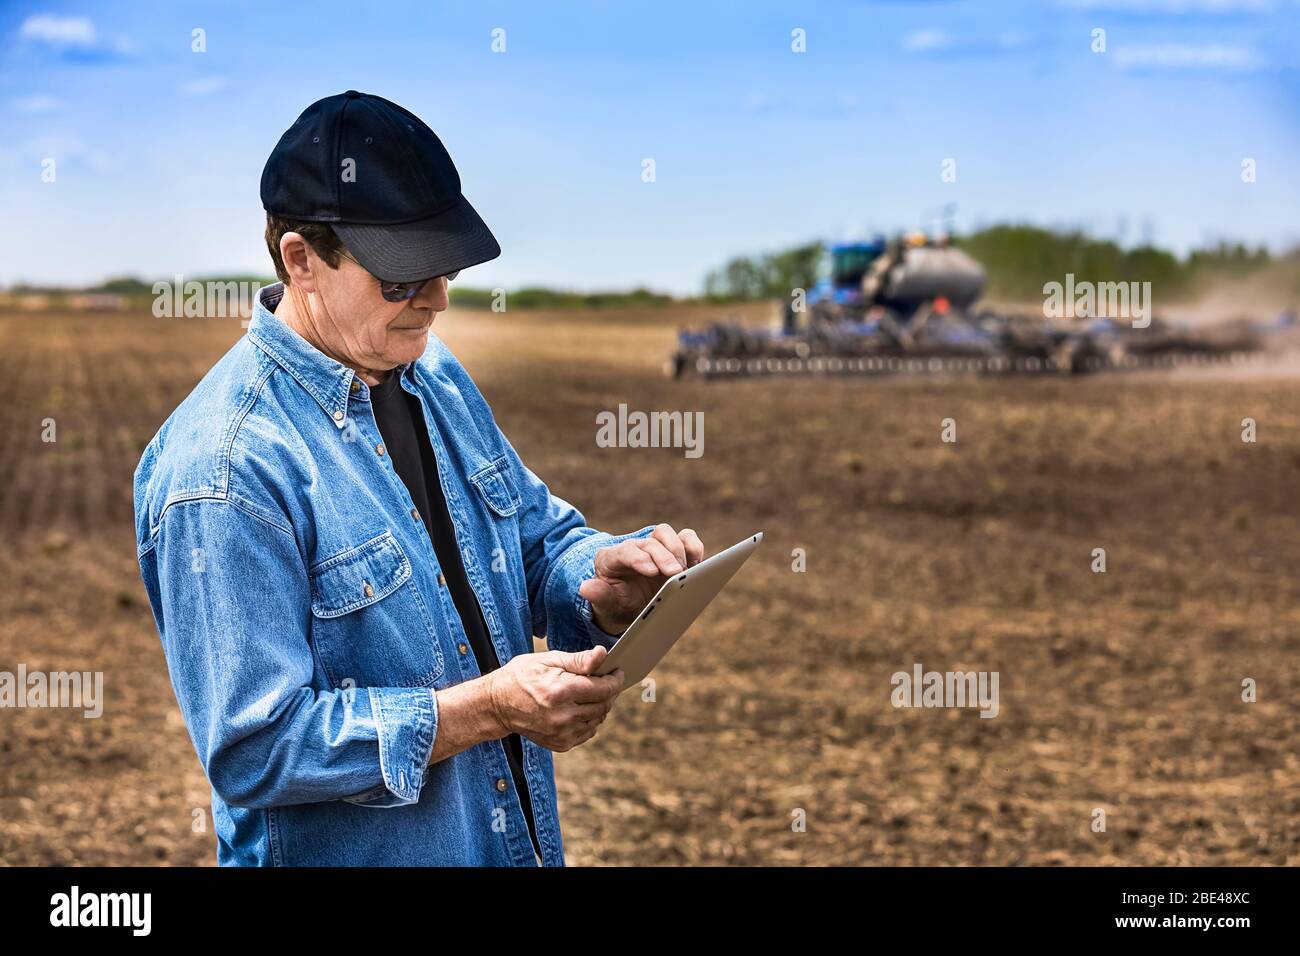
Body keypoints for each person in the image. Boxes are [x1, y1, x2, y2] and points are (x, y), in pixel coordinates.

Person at [132, 90, 704, 866]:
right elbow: (255, 747)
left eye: (441, 271)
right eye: (400, 280)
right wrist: (486, 709)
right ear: (302, 261)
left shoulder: (432, 375)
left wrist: (596, 582)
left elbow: (533, 539)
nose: (435, 301)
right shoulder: (225, 470)